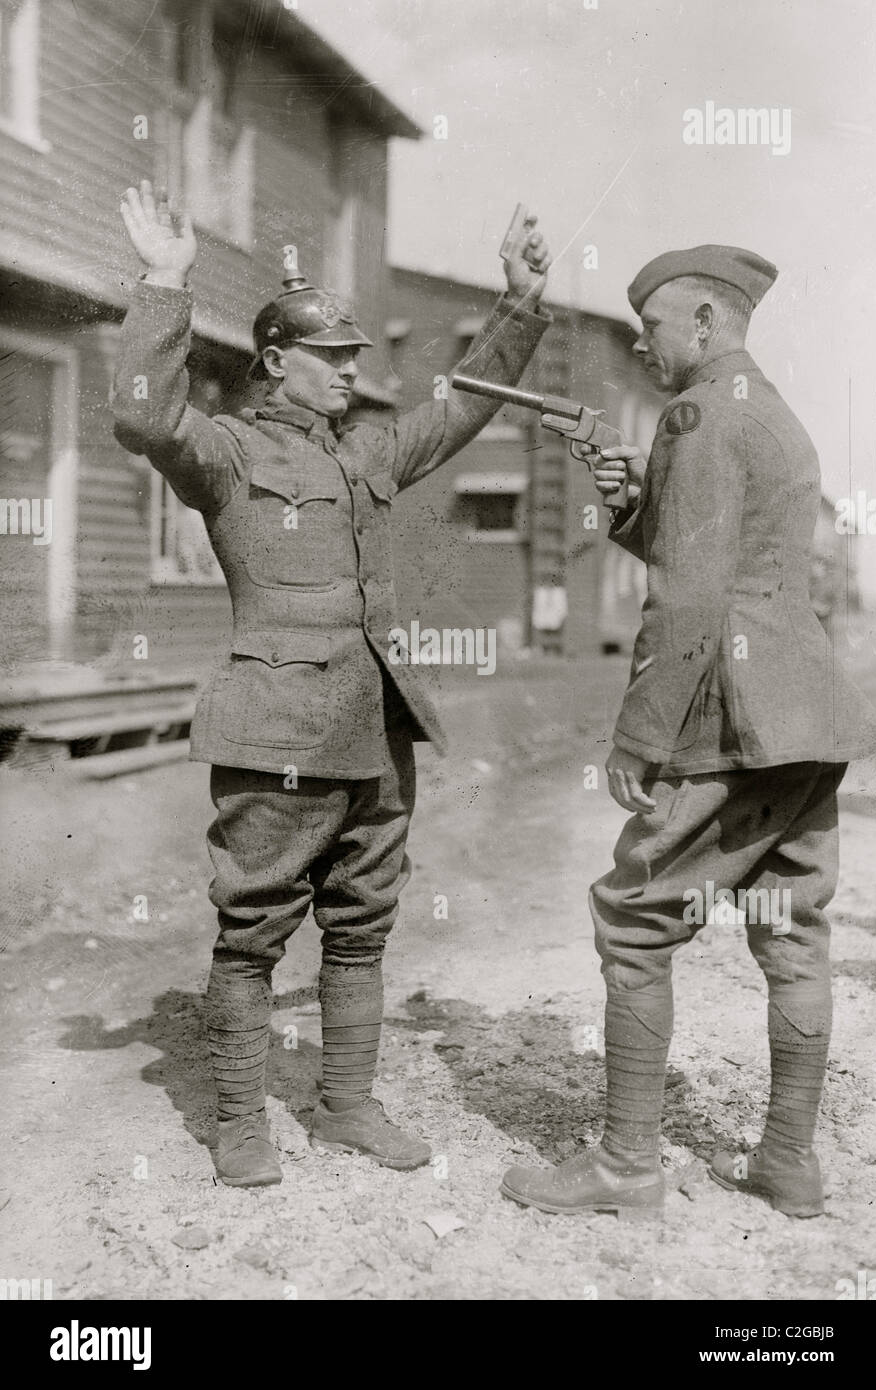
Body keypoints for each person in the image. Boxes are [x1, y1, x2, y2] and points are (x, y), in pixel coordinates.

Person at [113, 179, 551, 1187]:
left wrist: (518, 305)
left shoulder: (365, 454)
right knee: (254, 924)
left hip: (373, 727)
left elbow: (462, 404)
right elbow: (140, 417)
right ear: (275, 361)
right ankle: (237, 1123)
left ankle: (347, 1100)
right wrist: (165, 283)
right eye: (330, 360)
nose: (349, 376)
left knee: (362, 918)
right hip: (273, 729)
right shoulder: (224, 451)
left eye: (355, 360)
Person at [501, 244, 876, 1220]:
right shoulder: (770, 412)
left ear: (705, 320)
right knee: (790, 930)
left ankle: (626, 1167)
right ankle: (786, 1163)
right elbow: (722, 548)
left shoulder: (697, 415)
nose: (641, 340)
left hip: (729, 711)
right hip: (803, 713)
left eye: (654, 323)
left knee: (633, 922)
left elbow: (692, 591)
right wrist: (631, 498)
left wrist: (639, 736)